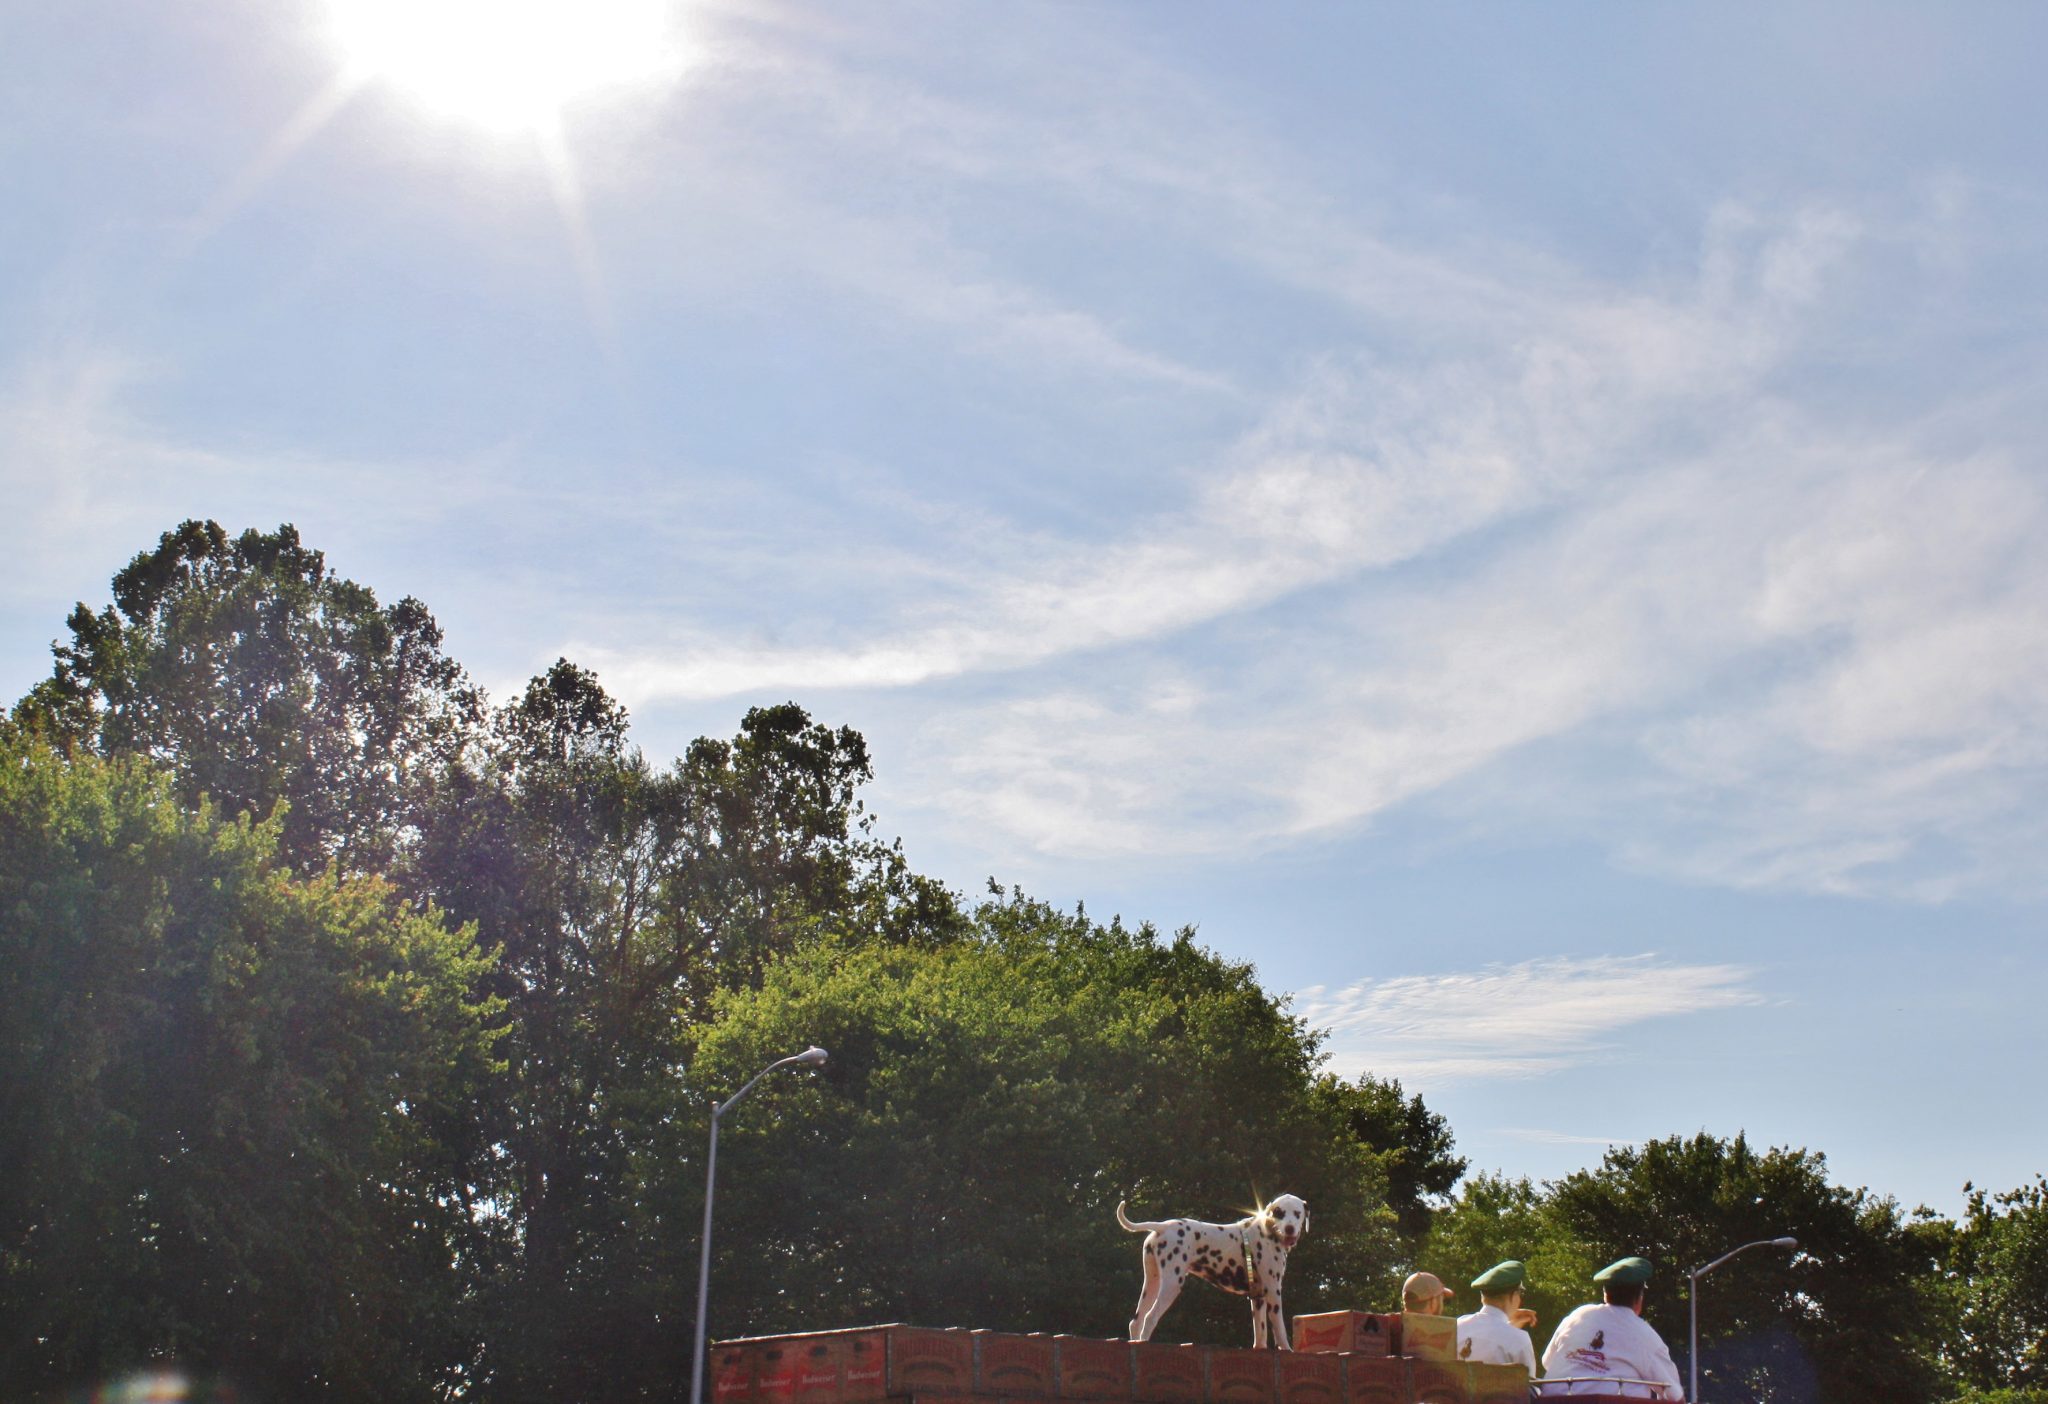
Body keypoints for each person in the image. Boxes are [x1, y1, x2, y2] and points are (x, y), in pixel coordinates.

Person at [1538, 1257, 1685, 1400]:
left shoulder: (1578, 1315)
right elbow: (1675, 1396)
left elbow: (1548, 1362)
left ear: (1605, 1294)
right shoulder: (1644, 1334)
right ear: (1639, 1297)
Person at [1457, 1261, 1538, 1373]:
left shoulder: (1457, 1325)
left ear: (1482, 1297)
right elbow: (1528, 1386)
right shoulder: (1519, 1338)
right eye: (1520, 1293)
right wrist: (1511, 1328)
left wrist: (1510, 1323)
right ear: (1514, 1295)